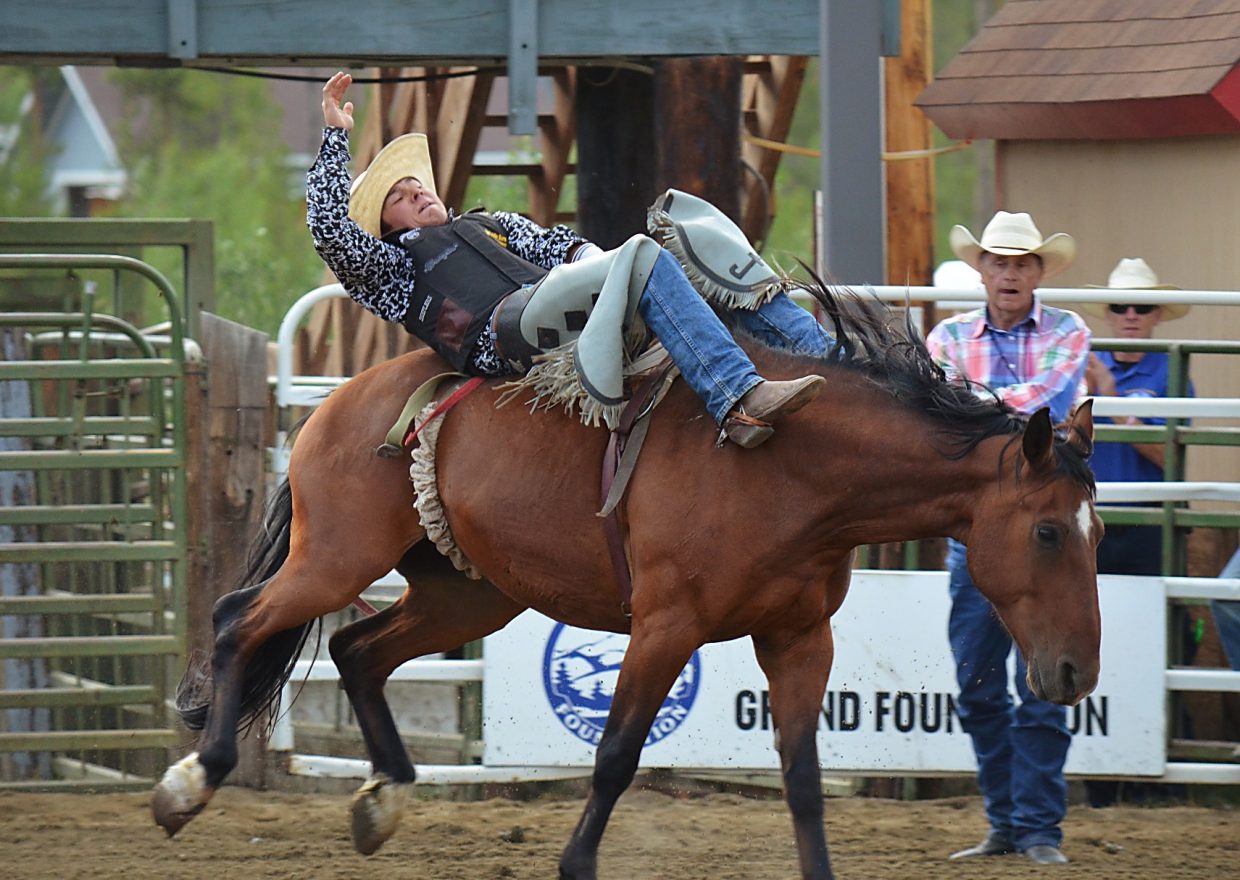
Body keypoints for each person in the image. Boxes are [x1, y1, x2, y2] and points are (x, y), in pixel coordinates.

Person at [307, 72, 829, 448]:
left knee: (693, 227)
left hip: (566, 306)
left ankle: (830, 356)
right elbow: (329, 229)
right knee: (641, 256)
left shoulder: (492, 224)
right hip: (508, 336)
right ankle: (735, 399)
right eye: (398, 197)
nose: (416, 192)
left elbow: (563, 247)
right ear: (387, 227)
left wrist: (610, 271)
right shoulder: (390, 269)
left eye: (415, 183)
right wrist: (335, 137)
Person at [925, 211, 1091, 866]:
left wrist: (978, 408)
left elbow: (1040, 405)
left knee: (1041, 683)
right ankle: (1011, 823)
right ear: (983, 271)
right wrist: (997, 411)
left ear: (1037, 272)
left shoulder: (1066, 332)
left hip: (1039, 535)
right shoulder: (948, 336)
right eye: (1000, 262)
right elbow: (948, 412)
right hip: (983, 535)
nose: (1011, 273)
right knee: (978, 684)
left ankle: (1036, 828)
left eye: (1022, 263)